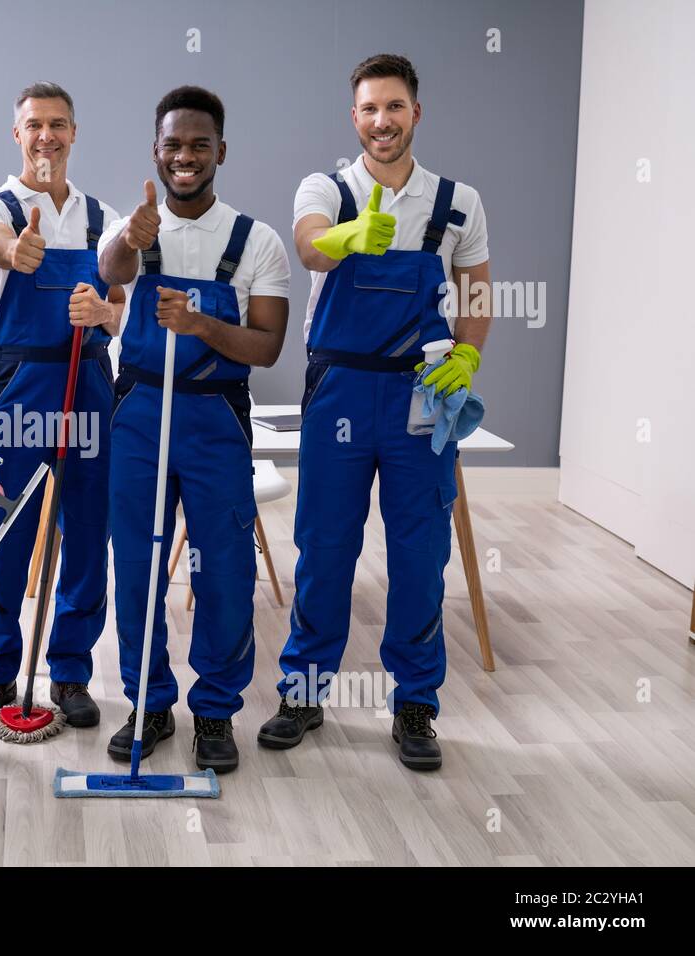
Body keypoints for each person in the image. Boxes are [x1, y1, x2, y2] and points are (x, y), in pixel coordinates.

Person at [258, 54, 492, 770]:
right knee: (326, 546)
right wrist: (346, 237)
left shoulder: (458, 201)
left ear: (415, 113)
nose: (382, 121)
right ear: (352, 117)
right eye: (369, 109)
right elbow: (307, 244)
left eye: (394, 107)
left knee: (420, 554)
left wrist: (468, 354)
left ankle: (416, 704)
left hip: (422, 393)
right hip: (341, 391)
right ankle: (303, 693)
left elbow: (476, 291)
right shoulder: (328, 188)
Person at [98, 86, 290, 773]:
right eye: (173, 145)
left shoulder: (257, 241)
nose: (185, 157)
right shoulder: (136, 226)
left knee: (226, 572)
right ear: (157, 150)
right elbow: (108, 274)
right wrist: (130, 239)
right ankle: (148, 706)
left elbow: (266, 347)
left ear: (221, 152)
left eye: (199, 145)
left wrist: (202, 324)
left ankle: (214, 712)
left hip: (216, 419)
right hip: (141, 415)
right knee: (138, 568)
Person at [0, 82, 125, 729]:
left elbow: (124, 313)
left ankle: (73, 673)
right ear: (17, 134)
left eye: (58, 124)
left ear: (74, 133)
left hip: (87, 385)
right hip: (16, 391)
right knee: (0, 534)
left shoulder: (103, 220)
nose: (46, 135)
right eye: (34, 125)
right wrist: (14, 249)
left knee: (86, 536)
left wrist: (106, 311)